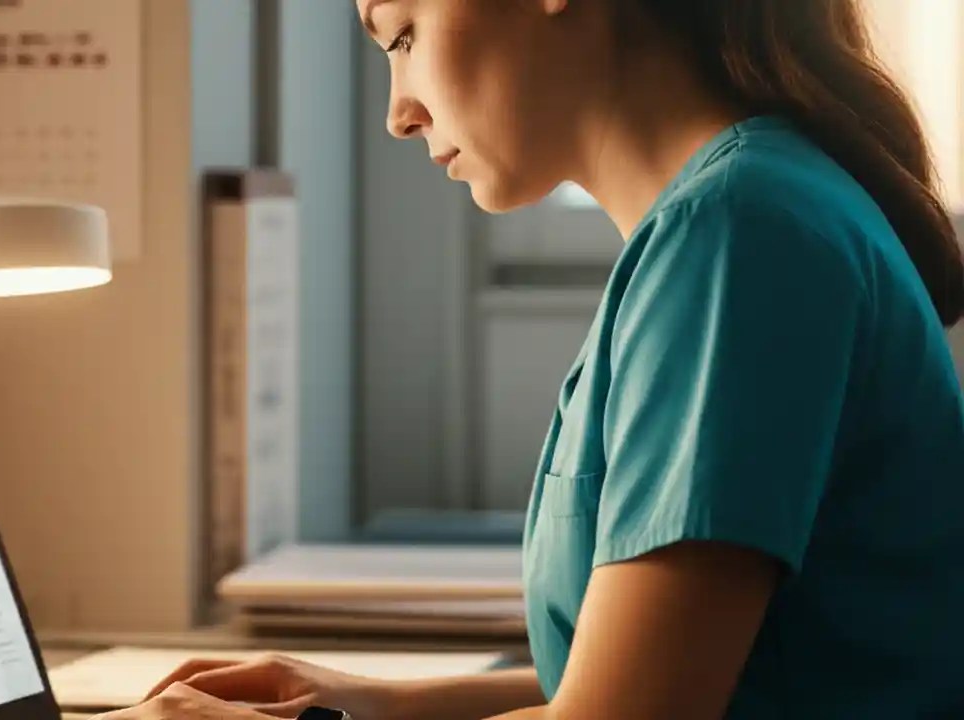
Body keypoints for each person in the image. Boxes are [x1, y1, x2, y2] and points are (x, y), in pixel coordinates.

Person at [98, 0, 964, 718]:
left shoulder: (737, 231)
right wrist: (373, 703)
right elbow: (668, 682)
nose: (399, 113)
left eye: (402, 36)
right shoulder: (735, 213)